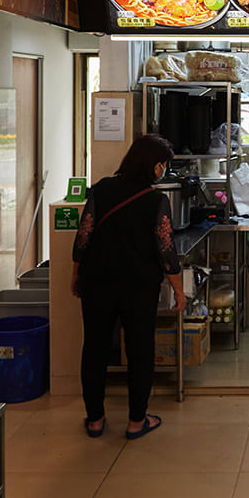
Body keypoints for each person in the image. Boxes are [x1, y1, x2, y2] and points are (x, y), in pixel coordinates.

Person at [71, 132, 186, 440]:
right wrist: (178, 288)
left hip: (97, 282)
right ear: (156, 166)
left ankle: (95, 420)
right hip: (139, 286)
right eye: (164, 165)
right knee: (139, 350)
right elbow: (166, 248)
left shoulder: (102, 188)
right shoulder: (155, 200)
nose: (163, 171)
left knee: (94, 347)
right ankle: (137, 421)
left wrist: (76, 272)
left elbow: (84, 234)